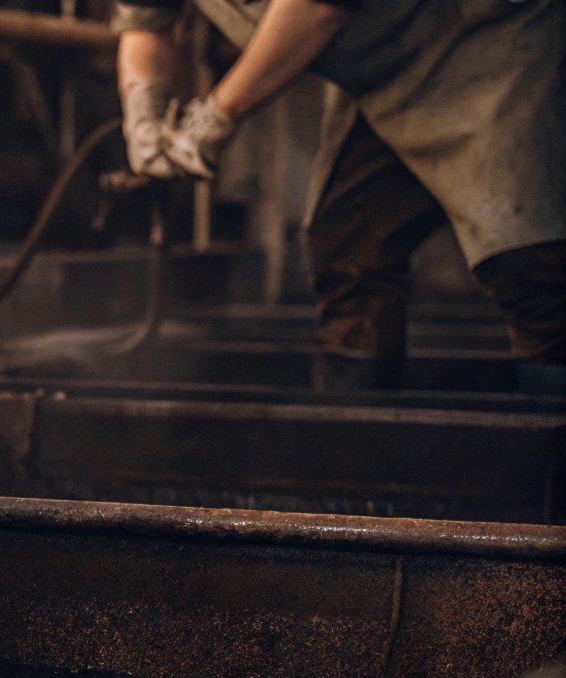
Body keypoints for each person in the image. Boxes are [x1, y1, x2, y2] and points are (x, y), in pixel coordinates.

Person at [112, 0, 565, 389]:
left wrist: (216, 116)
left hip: (485, 39)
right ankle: (360, 460)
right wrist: (142, 114)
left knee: (534, 267)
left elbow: (319, 8)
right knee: (348, 252)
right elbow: (146, 24)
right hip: (376, 78)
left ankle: (548, 458)